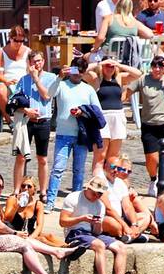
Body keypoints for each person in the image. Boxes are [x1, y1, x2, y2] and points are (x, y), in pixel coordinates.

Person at [60, 174, 136, 274]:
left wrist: (97, 224)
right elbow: (62, 221)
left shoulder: (100, 205)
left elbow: (97, 232)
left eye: (100, 194)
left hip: (90, 233)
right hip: (74, 232)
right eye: (95, 193)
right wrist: (82, 218)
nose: (97, 197)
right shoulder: (73, 198)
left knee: (121, 247)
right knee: (99, 245)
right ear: (87, 189)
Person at [45, 63, 100, 208]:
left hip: (81, 135)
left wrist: (83, 112)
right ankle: (50, 202)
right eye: (75, 70)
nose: (78, 74)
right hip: (63, 134)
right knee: (58, 168)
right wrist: (59, 77)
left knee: (79, 171)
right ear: (69, 70)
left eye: (81, 71)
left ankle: (76, 203)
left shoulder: (88, 89)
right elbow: (49, 94)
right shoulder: (62, 85)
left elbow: (97, 110)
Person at [125, 55, 164, 197]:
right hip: (149, 123)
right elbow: (127, 92)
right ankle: (153, 179)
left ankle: (163, 185)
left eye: (160, 66)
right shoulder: (143, 79)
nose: (157, 69)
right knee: (151, 157)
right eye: (154, 66)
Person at [84, 58, 140, 177]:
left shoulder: (119, 78)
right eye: (107, 66)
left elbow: (138, 74)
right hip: (102, 117)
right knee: (100, 155)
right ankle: (98, 180)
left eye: (112, 66)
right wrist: (99, 63)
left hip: (117, 116)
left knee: (113, 156)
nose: (109, 68)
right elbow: (82, 71)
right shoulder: (96, 79)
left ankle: (110, 179)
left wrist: (119, 65)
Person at [11, 51, 54, 197]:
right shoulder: (23, 80)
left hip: (43, 121)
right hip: (27, 121)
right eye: (34, 61)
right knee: (21, 157)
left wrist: (36, 79)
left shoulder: (50, 77)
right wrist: (26, 110)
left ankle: (43, 191)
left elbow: (47, 96)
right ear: (29, 63)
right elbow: (14, 102)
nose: (38, 64)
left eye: (40, 60)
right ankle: (17, 190)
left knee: (42, 158)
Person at [100, 155, 150, 241]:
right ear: (105, 167)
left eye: (118, 168)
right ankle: (132, 235)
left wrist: (134, 224)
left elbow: (127, 207)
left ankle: (129, 236)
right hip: (106, 218)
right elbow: (108, 209)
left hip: (120, 219)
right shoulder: (101, 182)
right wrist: (125, 225)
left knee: (145, 217)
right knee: (113, 224)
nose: (115, 170)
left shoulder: (120, 183)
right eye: (113, 167)